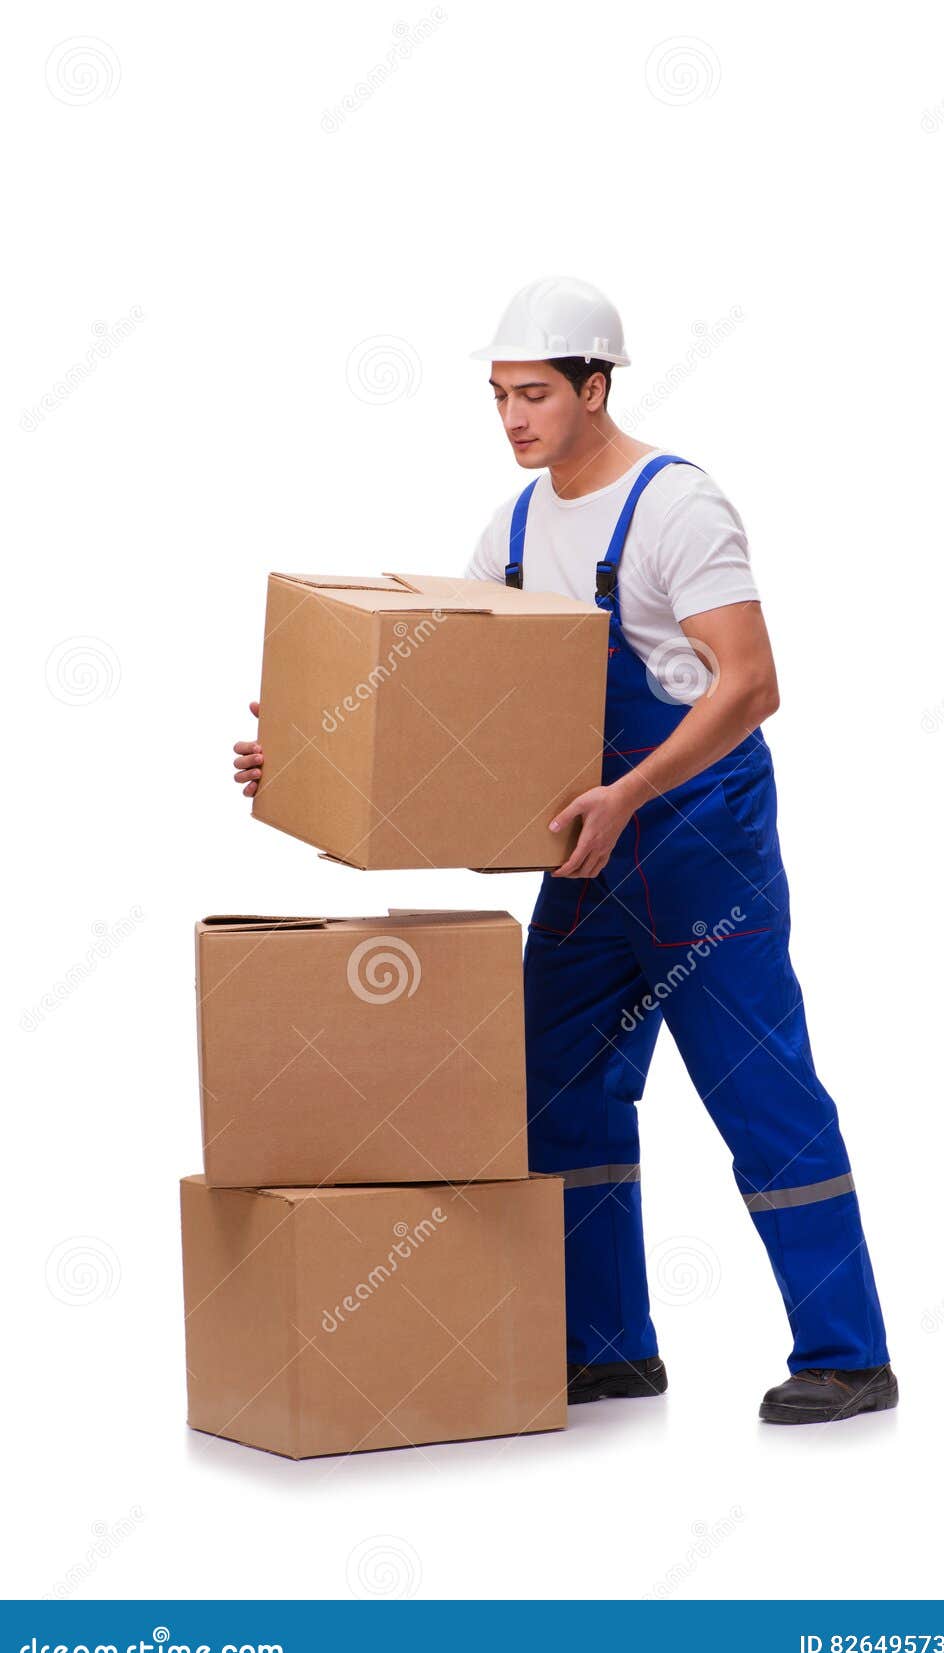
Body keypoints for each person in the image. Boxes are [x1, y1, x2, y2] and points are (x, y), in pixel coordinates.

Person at [232, 275, 897, 1424]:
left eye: (534, 393)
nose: (512, 417)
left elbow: (751, 685)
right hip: (586, 859)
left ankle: (848, 1354)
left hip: (699, 851)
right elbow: (453, 701)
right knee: (549, 1090)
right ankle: (606, 1347)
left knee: (760, 1091)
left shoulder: (677, 507)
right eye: (498, 395)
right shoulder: (513, 530)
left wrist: (629, 792)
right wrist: (301, 752)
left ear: (597, 386)